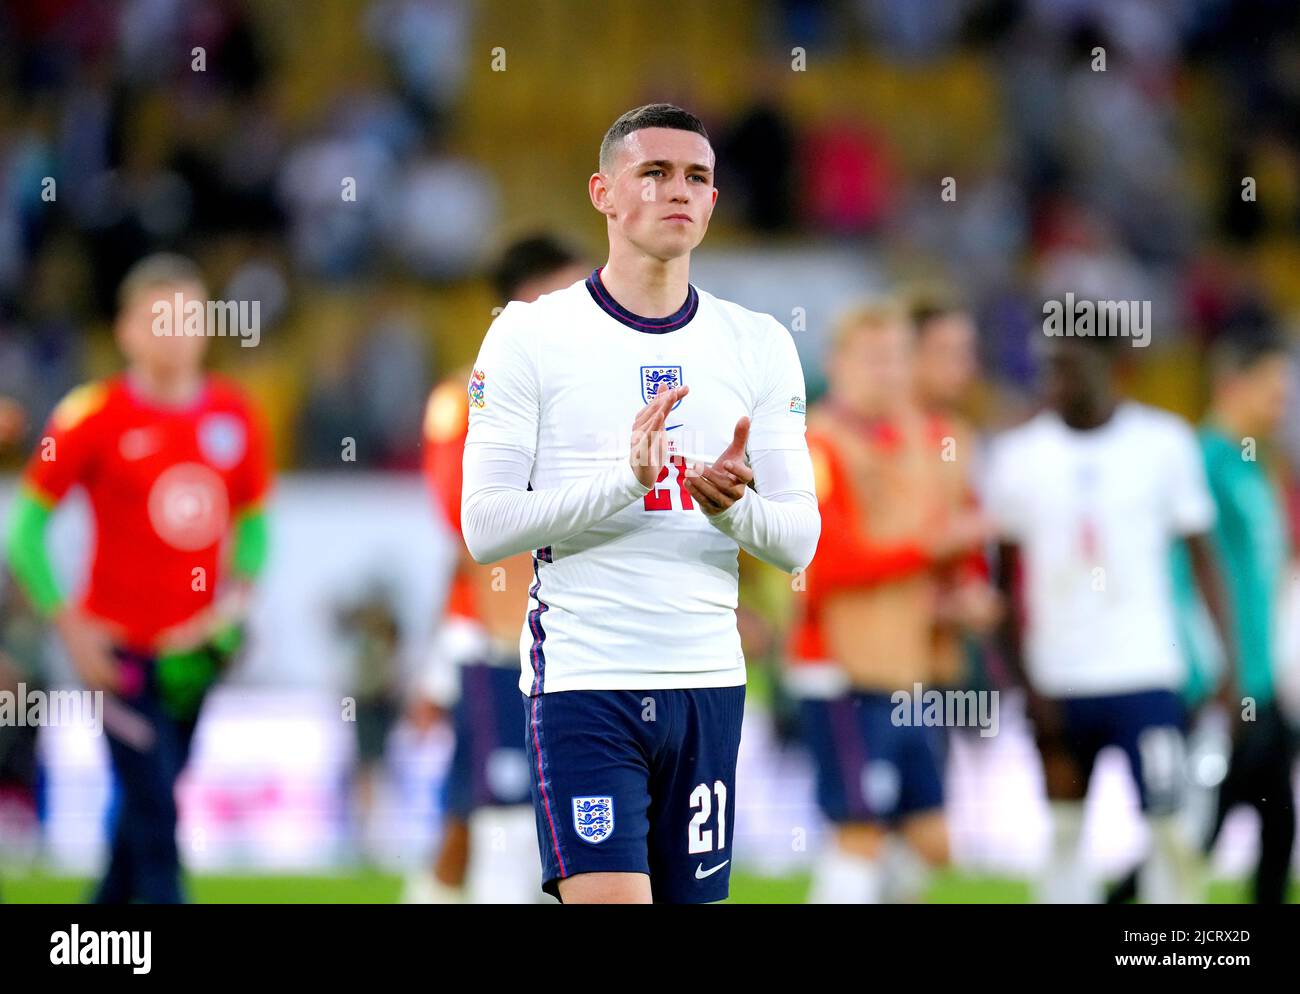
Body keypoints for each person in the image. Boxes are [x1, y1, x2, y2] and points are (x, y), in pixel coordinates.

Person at [460, 103, 820, 903]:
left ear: (715, 203)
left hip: (708, 681)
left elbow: (797, 541)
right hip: (586, 679)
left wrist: (732, 510)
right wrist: (623, 481)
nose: (677, 190)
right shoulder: (529, 336)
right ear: (604, 193)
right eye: (653, 172)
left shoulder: (757, 343)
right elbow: (483, 526)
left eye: (696, 177)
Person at [3, 254, 272, 903]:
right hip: (118, 657)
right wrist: (70, 626)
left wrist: (235, 606)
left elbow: (256, 525)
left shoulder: (235, 416)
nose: (174, 332)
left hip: (195, 654)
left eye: (188, 317)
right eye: (159, 318)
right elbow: (26, 532)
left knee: (143, 811)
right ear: (125, 330)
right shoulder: (90, 417)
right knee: (156, 815)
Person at [986, 326, 1234, 904]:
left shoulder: (1164, 443)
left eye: (1071, 367)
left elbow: (1204, 562)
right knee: (1066, 832)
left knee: (1169, 826)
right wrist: (1024, 682)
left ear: (1113, 367)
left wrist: (1225, 664)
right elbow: (1003, 586)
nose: (1059, 381)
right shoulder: (1019, 457)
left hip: (1146, 672)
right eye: (1052, 367)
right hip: (1058, 679)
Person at [787, 301, 993, 903]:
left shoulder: (928, 441)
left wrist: (965, 591)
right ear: (838, 363)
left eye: (899, 356)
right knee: (859, 832)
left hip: (910, 666)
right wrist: (929, 550)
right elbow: (825, 562)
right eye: (874, 358)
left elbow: (957, 537)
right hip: (838, 668)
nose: (889, 371)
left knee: (931, 839)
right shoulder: (817, 444)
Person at [407, 233, 587, 904]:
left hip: (552, 631)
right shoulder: (467, 396)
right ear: (527, 299)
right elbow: (468, 520)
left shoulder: (585, 392)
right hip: (495, 637)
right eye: (570, 289)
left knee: (471, 812)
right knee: (508, 813)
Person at [1189, 325, 1295, 903]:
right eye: (1272, 387)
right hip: (1223, 683)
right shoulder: (1202, 462)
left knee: (1275, 827)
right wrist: (1210, 668)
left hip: (1261, 678)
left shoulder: (1257, 465)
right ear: (1232, 384)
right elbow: (1186, 575)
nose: (1283, 402)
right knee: (1195, 832)